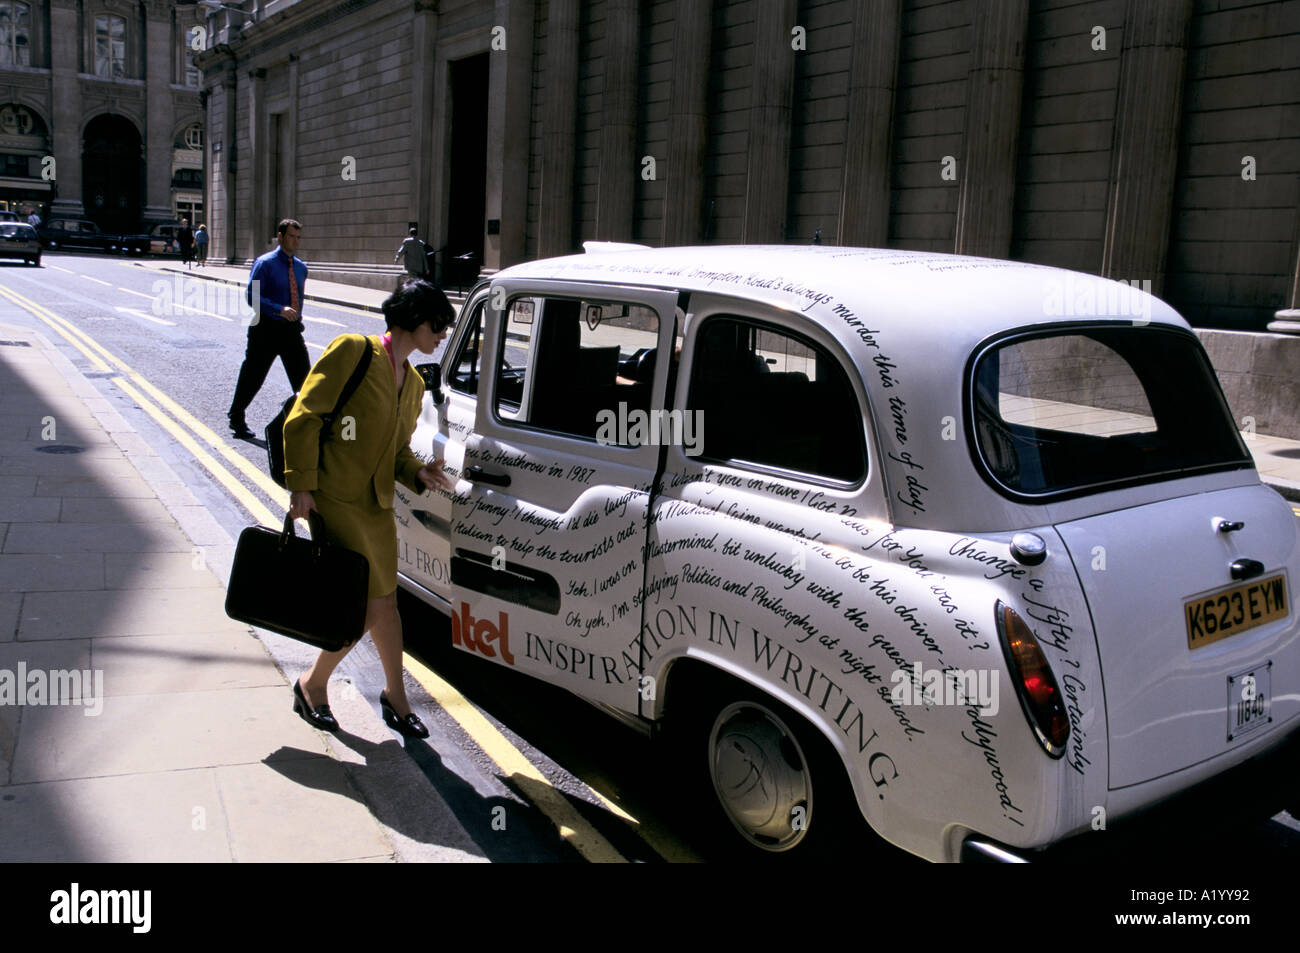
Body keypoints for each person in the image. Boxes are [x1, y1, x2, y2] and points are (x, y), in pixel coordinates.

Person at [283, 277, 457, 738]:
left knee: (382, 605)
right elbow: (305, 415)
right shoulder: (354, 351)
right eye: (438, 326)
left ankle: (350, 689)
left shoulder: (415, 382)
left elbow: (395, 450)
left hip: (376, 506)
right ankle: (341, 688)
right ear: (417, 321)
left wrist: (417, 472)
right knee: (371, 604)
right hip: (335, 499)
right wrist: (302, 486)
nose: (441, 337)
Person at [227, 218, 311, 438]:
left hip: (291, 331)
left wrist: (295, 316)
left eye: (299, 237)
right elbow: (251, 296)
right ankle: (236, 416)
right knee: (253, 376)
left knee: (305, 381)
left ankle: (306, 426)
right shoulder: (265, 263)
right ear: (281, 236)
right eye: (292, 236)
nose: (295, 241)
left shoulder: (301, 268)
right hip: (265, 329)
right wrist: (278, 309)